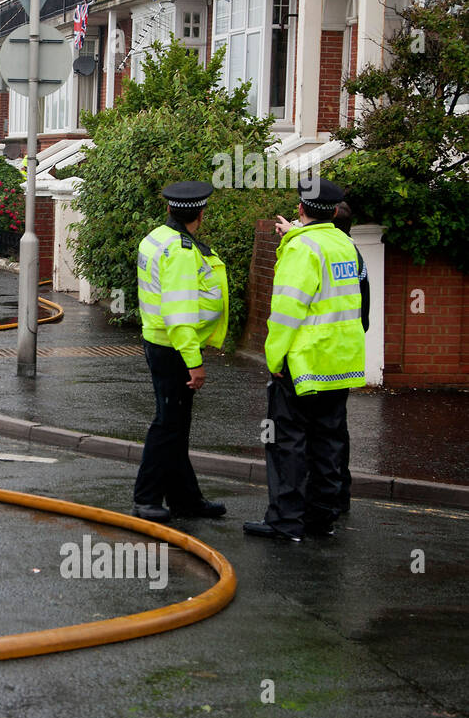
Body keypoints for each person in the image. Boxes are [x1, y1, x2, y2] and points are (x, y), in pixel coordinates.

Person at [246, 177, 366, 542]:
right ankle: (321, 520)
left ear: (300, 209)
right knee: (328, 445)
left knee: (288, 444)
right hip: (340, 364)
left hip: (303, 366)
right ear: (332, 211)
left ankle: (286, 522)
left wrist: (274, 360)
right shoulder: (345, 245)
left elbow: (285, 313)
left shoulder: (302, 250)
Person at [132, 181, 230, 523]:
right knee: (167, 424)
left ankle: (185, 500)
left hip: (159, 341)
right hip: (174, 347)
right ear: (200, 214)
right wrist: (195, 363)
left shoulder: (156, 237)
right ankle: (145, 499)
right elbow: (179, 315)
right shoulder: (181, 253)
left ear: (169, 209)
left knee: (175, 424)